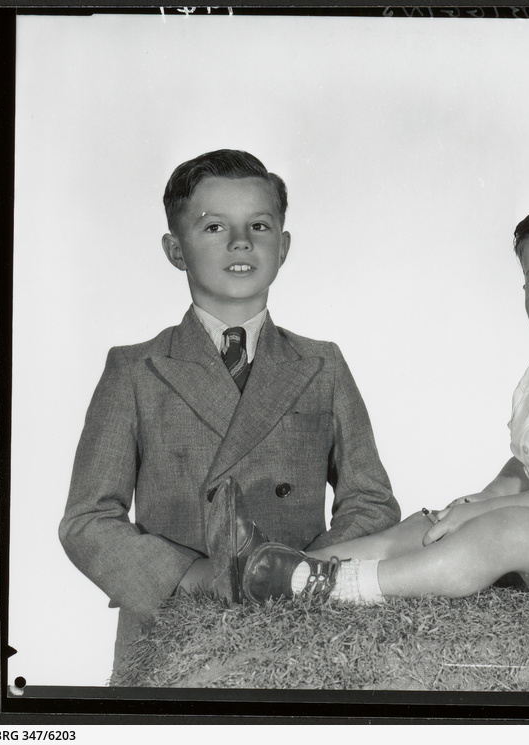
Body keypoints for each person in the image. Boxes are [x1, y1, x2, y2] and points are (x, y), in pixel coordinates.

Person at [239, 193, 529, 605]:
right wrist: (480, 500)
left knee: (507, 530)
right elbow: (527, 464)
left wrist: (490, 511)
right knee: (433, 524)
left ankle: (347, 586)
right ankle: (292, 567)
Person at [59, 149, 401, 672]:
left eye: (259, 225)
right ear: (175, 250)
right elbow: (88, 520)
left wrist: (300, 574)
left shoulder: (322, 364)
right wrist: (191, 577)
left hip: (297, 626)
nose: (241, 241)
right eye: (214, 226)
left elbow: (370, 500)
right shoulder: (134, 370)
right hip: (172, 630)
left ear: (283, 246)